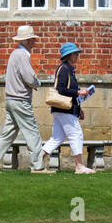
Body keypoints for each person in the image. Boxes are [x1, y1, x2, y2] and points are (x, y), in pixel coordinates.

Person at [0, 26, 48, 173]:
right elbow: (29, 77)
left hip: (11, 99)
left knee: (8, 133)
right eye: (33, 40)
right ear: (28, 41)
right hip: (20, 99)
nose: (34, 43)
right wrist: (37, 83)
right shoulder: (22, 55)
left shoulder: (15, 54)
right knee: (32, 131)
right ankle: (38, 166)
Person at [41, 42, 95, 174]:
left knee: (57, 138)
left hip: (65, 109)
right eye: (76, 53)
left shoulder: (68, 69)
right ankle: (79, 166)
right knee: (76, 134)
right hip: (65, 109)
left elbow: (69, 90)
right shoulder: (64, 69)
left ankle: (36, 160)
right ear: (69, 55)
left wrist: (79, 108)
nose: (78, 56)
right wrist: (78, 92)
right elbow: (61, 89)